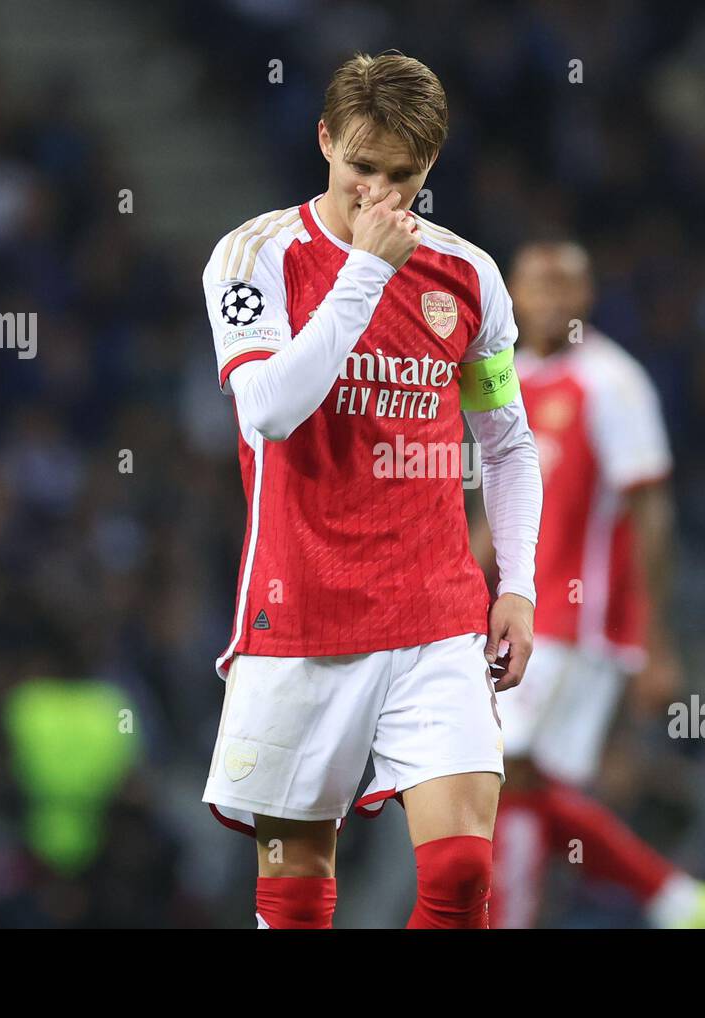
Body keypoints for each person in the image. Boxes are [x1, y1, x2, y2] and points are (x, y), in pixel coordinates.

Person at [200, 51, 542, 929]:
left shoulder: (468, 276)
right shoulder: (254, 257)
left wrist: (518, 587)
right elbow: (270, 410)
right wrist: (365, 274)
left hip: (434, 611)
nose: (378, 197)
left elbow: (506, 442)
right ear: (324, 140)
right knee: (297, 887)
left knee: (464, 871)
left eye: (402, 176)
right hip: (300, 610)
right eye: (360, 169)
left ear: (430, 168)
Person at [478, 240, 705, 928]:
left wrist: (655, 637)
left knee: (498, 770)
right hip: (516, 617)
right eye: (538, 286)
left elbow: (650, 511)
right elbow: (498, 507)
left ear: (587, 298)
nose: (552, 300)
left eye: (567, 286)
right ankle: (672, 897)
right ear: (514, 294)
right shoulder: (509, 377)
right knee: (513, 782)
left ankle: (650, 897)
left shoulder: (613, 382)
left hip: (579, 619)